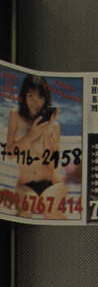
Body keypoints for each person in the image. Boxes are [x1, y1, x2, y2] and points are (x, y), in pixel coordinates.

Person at [6, 74, 68, 219]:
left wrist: (47, 136)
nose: (35, 102)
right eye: (30, 96)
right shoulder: (15, 116)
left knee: (50, 210)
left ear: (46, 99)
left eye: (40, 97)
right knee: (27, 207)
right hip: (25, 184)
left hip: (52, 182)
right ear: (23, 96)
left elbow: (53, 165)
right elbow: (9, 153)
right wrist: (31, 135)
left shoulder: (54, 127)